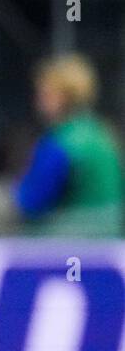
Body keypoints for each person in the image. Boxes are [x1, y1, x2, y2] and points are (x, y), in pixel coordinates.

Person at [14, 53, 123, 237]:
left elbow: (30, 202)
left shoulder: (60, 142)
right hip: (110, 241)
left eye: (45, 94)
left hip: (68, 242)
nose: (38, 100)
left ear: (64, 97)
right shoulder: (104, 134)